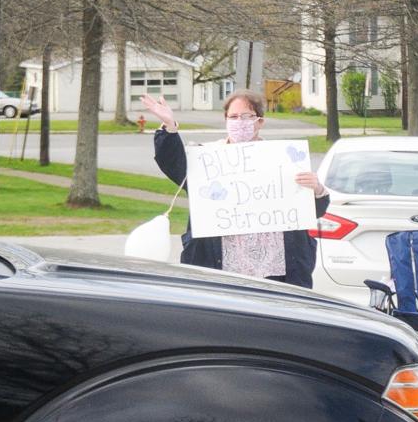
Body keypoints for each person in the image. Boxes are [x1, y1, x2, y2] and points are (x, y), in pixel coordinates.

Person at [141, 89, 330, 288]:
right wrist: (170, 126)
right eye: (233, 116)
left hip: (278, 274)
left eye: (247, 116)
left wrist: (316, 189)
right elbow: (173, 163)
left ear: (260, 121)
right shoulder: (207, 159)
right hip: (220, 272)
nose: (239, 121)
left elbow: (311, 211)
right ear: (226, 120)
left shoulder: (284, 160)